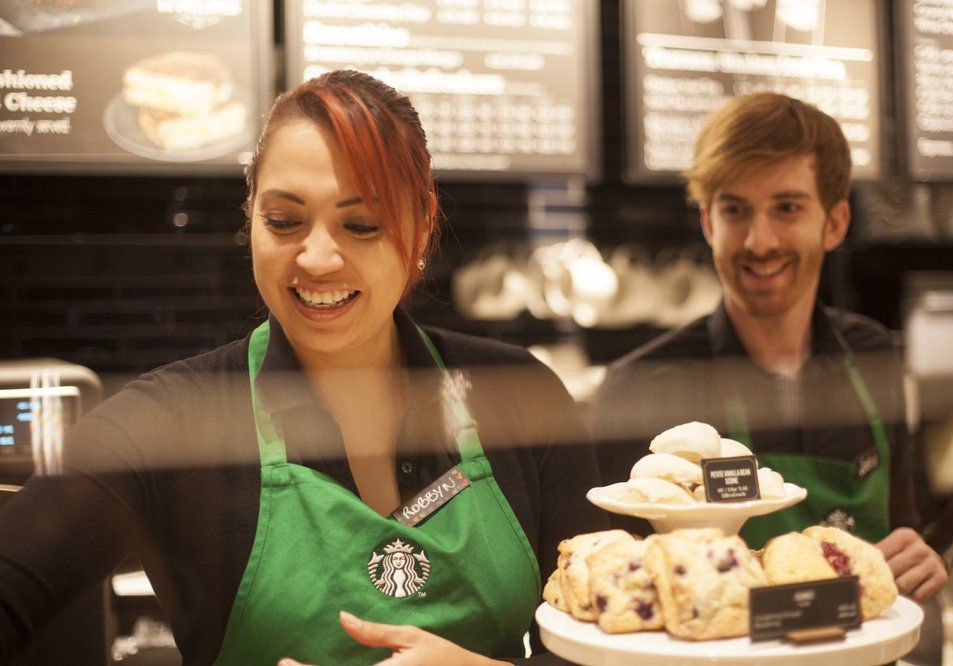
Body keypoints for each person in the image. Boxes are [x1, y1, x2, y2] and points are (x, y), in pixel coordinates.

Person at [0, 70, 607, 665]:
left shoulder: (520, 396)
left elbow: (605, 640)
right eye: (284, 221)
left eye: (361, 224)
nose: (317, 258)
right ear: (251, 217)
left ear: (422, 227)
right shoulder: (167, 421)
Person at [591, 93, 947, 602]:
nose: (759, 241)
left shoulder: (871, 355)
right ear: (709, 223)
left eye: (787, 208)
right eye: (736, 210)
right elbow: (617, 581)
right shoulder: (638, 385)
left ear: (835, 223)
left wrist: (917, 555)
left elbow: (901, 530)